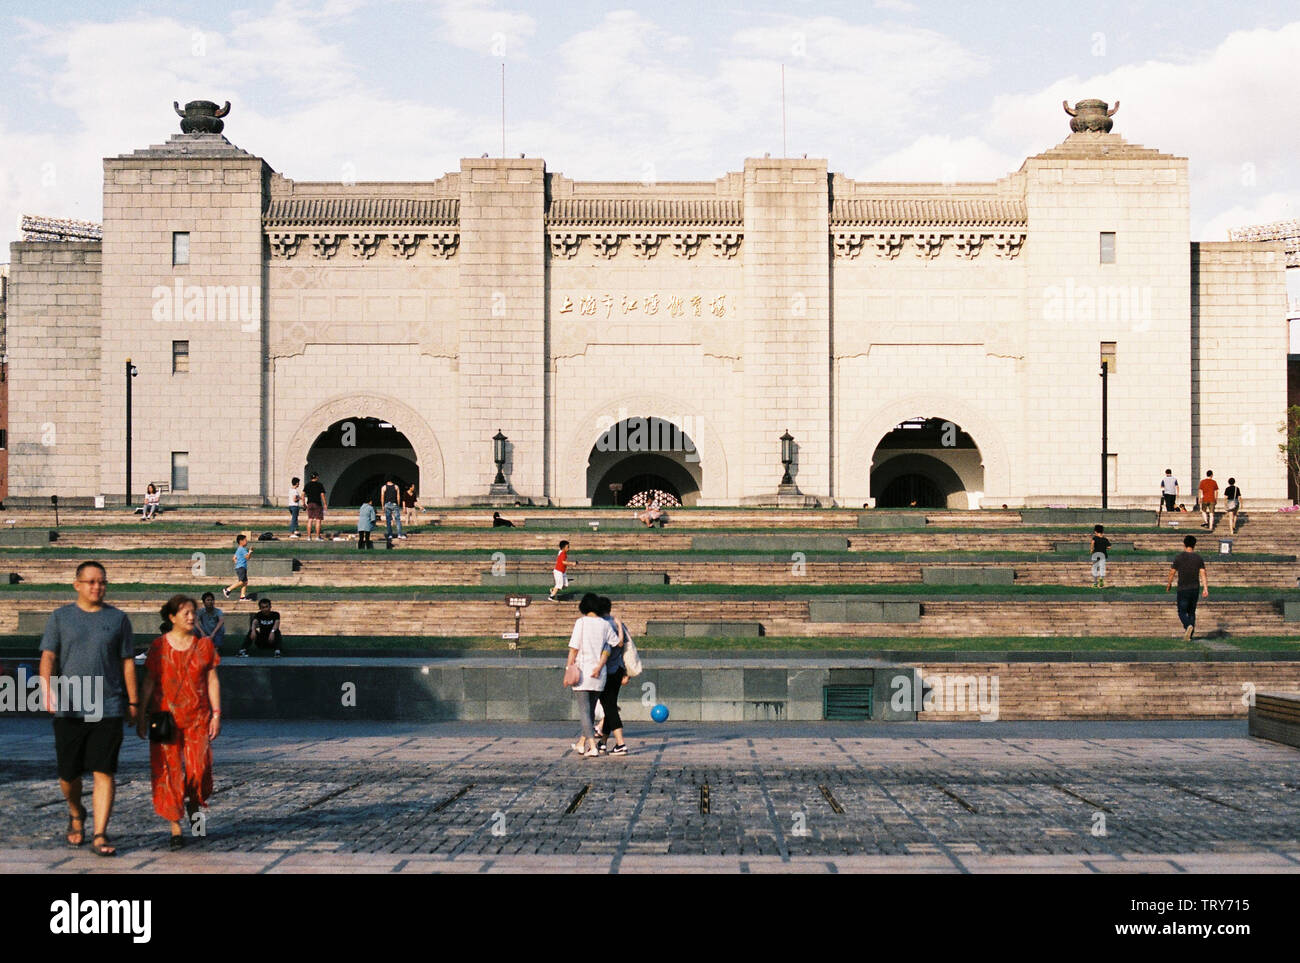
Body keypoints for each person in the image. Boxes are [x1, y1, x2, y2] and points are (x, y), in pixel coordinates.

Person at [39, 561, 137, 857]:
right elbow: (48, 657)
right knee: (68, 774)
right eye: (91, 581)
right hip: (69, 707)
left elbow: (127, 663)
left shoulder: (118, 619)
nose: (97, 587)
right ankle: (76, 810)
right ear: (77, 584)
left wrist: (133, 702)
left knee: (104, 770)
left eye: (102, 582)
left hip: (108, 706)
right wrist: (46, 689)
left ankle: (99, 832)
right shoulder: (60, 618)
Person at [136, 594, 221, 850]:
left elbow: (212, 680)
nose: (191, 617)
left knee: (200, 769)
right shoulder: (159, 647)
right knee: (168, 771)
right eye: (185, 613)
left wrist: (217, 713)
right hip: (165, 719)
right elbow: (149, 682)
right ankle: (175, 826)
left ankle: (194, 806)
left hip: (198, 716)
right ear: (171, 617)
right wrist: (141, 714)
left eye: (193, 612)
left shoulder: (205, 645)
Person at [565, 593, 614, 757]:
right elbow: (614, 643)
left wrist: (568, 668)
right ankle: (581, 744)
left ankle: (592, 746)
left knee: (585, 711)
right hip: (600, 674)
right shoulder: (605, 624)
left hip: (583, 673)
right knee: (590, 711)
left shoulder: (581, 623)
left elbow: (573, 648)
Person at [593, 596, 630, 755]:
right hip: (619, 670)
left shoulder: (602, 626)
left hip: (606, 672)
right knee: (610, 705)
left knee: (610, 707)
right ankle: (603, 742)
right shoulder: (618, 623)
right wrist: (628, 673)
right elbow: (626, 649)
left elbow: (610, 647)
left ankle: (621, 744)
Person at [1166, 534, 1209, 641]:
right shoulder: (1198, 558)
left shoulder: (1179, 557)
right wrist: (1205, 588)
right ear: (1194, 545)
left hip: (1183, 588)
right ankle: (1189, 634)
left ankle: (1188, 626)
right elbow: (1203, 573)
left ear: (1184, 544)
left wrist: (1169, 584)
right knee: (1191, 611)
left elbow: (1172, 572)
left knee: (1181, 611)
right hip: (1195, 588)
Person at [222, 534, 251, 603]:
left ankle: (242, 597)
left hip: (240, 567)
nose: (246, 541)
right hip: (241, 567)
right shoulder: (243, 549)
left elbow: (234, 558)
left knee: (245, 582)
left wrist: (237, 562)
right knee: (241, 582)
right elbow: (248, 557)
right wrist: (250, 552)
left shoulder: (238, 549)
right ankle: (228, 589)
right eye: (245, 540)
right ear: (241, 541)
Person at [303, 472, 327, 541]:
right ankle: (317, 537)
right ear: (316, 477)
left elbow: (303, 494)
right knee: (318, 520)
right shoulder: (319, 485)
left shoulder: (307, 485)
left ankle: (308, 537)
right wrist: (325, 504)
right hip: (317, 504)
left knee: (310, 520)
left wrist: (304, 503)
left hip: (310, 503)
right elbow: (322, 495)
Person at [1089, 524, 1111, 589]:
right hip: (1103, 554)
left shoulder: (1095, 538)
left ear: (1095, 531)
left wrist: (1091, 549)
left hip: (1096, 554)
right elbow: (1109, 547)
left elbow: (1092, 543)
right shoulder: (1105, 539)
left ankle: (1095, 583)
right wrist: (1104, 547)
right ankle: (1101, 579)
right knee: (1102, 568)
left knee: (1095, 568)